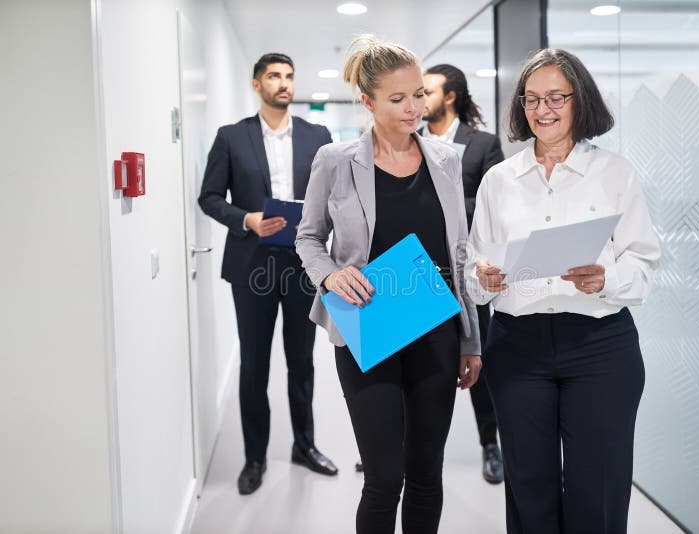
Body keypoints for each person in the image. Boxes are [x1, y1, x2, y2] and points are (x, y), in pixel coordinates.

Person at [466, 48, 661, 533]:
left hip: (599, 347)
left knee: (599, 489)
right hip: (518, 347)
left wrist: (606, 278)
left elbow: (643, 263)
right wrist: (483, 279)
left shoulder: (615, 172)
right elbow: (475, 267)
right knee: (529, 487)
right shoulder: (498, 180)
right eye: (531, 100)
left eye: (556, 97)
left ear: (580, 102)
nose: (542, 110)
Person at [296, 35, 482, 534]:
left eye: (418, 95)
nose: (413, 107)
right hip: (368, 327)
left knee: (426, 473)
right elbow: (309, 238)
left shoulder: (445, 158)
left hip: (435, 329)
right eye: (398, 99)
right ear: (368, 102)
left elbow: (458, 256)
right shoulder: (335, 161)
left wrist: (470, 338)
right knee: (384, 477)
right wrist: (331, 274)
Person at [198, 52, 337, 496]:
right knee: (254, 365)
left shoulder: (319, 136)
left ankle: (305, 445)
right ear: (256, 84)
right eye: (274, 76)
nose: (283, 83)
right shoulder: (231, 137)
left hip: (303, 263)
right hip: (252, 264)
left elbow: (336, 194)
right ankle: (254, 458)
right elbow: (209, 197)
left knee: (302, 362)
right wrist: (247, 219)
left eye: (289, 76)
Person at [421, 63, 505, 484]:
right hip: (416, 270)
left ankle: (491, 445)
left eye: (428, 91)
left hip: (467, 268)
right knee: (408, 357)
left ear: (450, 96)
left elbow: (497, 205)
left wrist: (450, 209)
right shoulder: (410, 142)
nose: (419, 98)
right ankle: (394, 449)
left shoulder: (483, 144)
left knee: (478, 358)